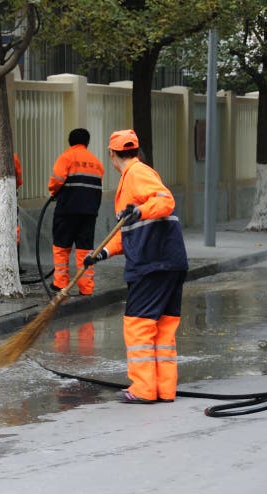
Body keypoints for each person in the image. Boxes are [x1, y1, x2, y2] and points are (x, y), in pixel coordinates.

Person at [84, 130, 188, 404]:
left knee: (138, 326)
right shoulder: (135, 176)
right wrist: (102, 252)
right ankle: (164, 389)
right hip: (170, 261)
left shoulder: (136, 173)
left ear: (111, 154)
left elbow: (165, 201)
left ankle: (142, 389)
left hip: (152, 263)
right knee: (164, 329)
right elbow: (128, 230)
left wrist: (139, 211)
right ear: (137, 150)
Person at [48, 128, 104, 295]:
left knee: (61, 247)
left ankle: (60, 284)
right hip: (89, 213)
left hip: (67, 211)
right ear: (87, 142)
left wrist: (53, 193)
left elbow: (55, 182)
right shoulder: (96, 163)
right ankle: (86, 288)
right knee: (85, 250)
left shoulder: (66, 157)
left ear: (70, 141)